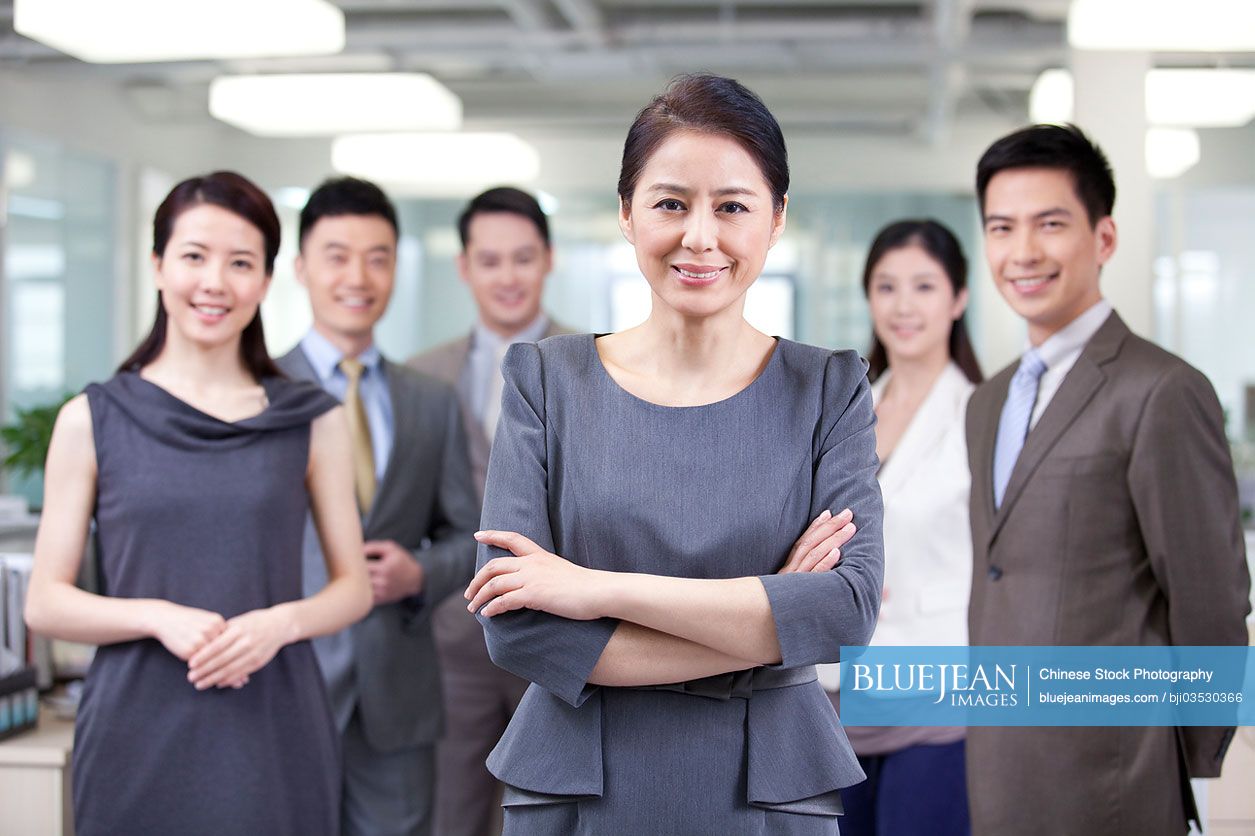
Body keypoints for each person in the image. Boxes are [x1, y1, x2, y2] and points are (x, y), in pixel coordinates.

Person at [463, 73, 882, 834]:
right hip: (581, 784)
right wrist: (767, 617)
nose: (699, 237)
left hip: (767, 787)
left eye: (731, 206)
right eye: (669, 204)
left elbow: (845, 612)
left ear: (776, 218)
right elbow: (516, 625)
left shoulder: (827, 388)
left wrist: (594, 591)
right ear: (626, 213)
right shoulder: (546, 381)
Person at [23, 171, 372, 836]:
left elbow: (352, 588)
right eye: (193, 256)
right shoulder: (92, 419)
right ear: (158, 266)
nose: (214, 282)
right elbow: (46, 601)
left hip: (274, 720)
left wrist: (278, 624)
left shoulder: (310, 419)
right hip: (136, 727)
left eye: (240, 262)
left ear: (266, 281)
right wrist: (156, 616)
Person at [965, 123, 1251, 835]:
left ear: (1103, 239)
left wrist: (1177, 761)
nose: (1021, 252)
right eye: (1001, 228)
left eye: (1049, 224)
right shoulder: (988, 402)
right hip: (999, 767)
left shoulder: (1160, 390)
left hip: (1115, 777)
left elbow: (1210, 597)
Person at [277, 176, 480, 836]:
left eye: (378, 256)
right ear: (302, 267)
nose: (357, 276)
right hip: (284, 686)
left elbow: (465, 533)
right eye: (336, 255)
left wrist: (422, 574)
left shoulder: (429, 399)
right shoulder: (258, 395)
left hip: (398, 696)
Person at [407, 185, 572, 836]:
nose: (507, 277)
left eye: (522, 258)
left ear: (548, 260)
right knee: (455, 813)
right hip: (454, 640)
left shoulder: (598, 364)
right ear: (464, 267)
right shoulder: (424, 378)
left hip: (560, 641)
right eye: (490, 260)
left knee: (551, 813)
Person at [831, 219, 981, 836]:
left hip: (937, 693)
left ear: (958, 299)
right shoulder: (845, 407)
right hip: (837, 694)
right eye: (886, 286)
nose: (903, 305)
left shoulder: (981, 414)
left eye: (923, 286)